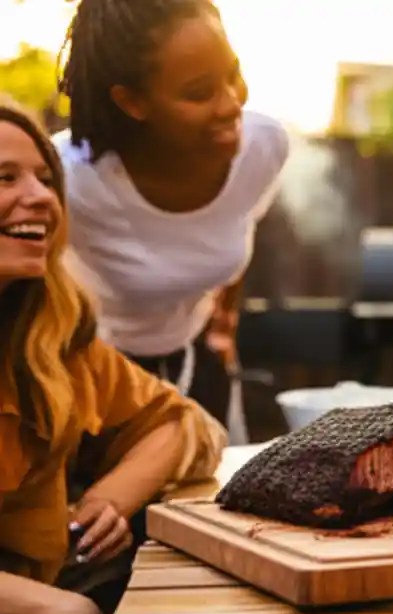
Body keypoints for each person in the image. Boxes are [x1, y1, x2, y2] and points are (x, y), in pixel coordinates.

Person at [0, 98, 224, 614]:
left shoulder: (46, 336)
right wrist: (45, 603)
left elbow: (177, 423)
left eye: (47, 180)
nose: (41, 197)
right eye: (6, 178)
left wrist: (110, 501)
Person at [54, 0, 289, 440]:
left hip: (195, 363)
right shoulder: (68, 182)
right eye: (200, 93)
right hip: (93, 379)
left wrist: (223, 324)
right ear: (132, 101)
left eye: (233, 75)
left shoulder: (263, 147)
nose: (231, 103)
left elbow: (237, 226)